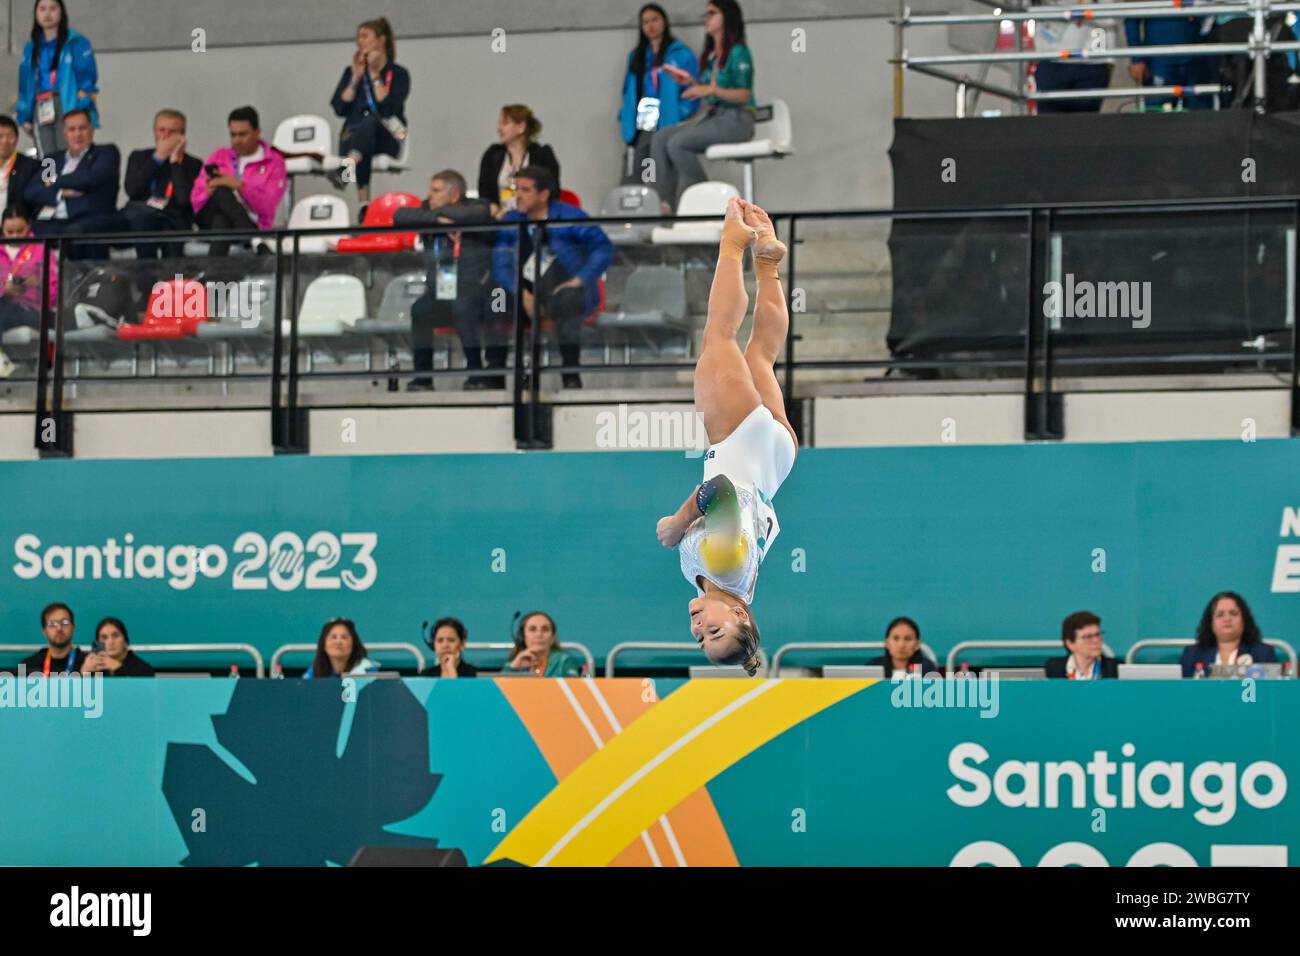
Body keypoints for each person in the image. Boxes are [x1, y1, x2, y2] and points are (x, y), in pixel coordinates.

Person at [656, 199, 794, 675]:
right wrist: (676, 525)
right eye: (716, 632)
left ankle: (768, 263)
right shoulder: (725, 567)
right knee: (719, 335)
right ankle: (734, 242)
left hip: (774, 461)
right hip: (740, 444)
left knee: (761, 356)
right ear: (740, 615)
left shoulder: (729, 582)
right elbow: (718, 491)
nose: (700, 630)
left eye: (701, 640)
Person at [491, 166, 613, 389]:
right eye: (516, 189)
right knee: (495, 303)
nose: (518, 196)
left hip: (562, 286)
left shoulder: (570, 217)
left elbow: (603, 248)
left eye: (525, 190)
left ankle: (570, 374)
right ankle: (496, 376)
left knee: (569, 301)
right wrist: (521, 293)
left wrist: (579, 279)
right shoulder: (511, 221)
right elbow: (500, 263)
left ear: (543, 194)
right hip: (523, 288)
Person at [392, 169, 498, 390]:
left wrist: (444, 216)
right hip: (440, 291)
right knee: (419, 310)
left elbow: (480, 213)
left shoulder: (475, 206)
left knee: (463, 308)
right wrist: (437, 219)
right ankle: (423, 378)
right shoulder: (428, 209)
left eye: (436, 191)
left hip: (475, 292)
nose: (430, 195)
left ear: (455, 194)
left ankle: (476, 374)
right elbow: (399, 215)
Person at [648, 0, 755, 211]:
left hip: (736, 119)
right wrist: (690, 82)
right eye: (705, 14)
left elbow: (743, 94)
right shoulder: (712, 55)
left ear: (727, 16)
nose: (706, 18)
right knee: (660, 137)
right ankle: (664, 205)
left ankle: (706, 202)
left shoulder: (738, 52)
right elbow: (709, 90)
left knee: (678, 143)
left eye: (712, 13)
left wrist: (711, 90)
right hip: (714, 117)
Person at [327, 17, 411, 209]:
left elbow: (389, 109)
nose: (359, 41)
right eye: (358, 37)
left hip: (388, 137)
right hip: (353, 139)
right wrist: (355, 78)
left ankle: (347, 173)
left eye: (365, 36)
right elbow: (339, 108)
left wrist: (374, 75)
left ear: (381, 40)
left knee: (370, 123)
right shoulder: (351, 72)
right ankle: (364, 206)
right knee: (362, 139)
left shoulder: (398, 73)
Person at [619, 4, 700, 185]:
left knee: (661, 167)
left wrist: (679, 112)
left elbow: (693, 90)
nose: (650, 26)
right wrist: (624, 115)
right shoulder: (637, 56)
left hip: (667, 116)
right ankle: (641, 199)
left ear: (664, 22)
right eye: (645, 22)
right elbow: (627, 89)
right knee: (639, 164)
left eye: (655, 20)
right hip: (643, 117)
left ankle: (660, 198)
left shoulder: (680, 54)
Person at [22, 108, 119, 257]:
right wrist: (60, 193)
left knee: (74, 233)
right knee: (25, 230)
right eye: (72, 129)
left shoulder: (105, 152)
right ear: (65, 134)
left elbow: (90, 178)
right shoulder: (52, 160)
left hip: (88, 221)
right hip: (51, 221)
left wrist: (53, 181)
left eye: (82, 128)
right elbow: (32, 191)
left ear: (92, 129)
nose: (77, 134)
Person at [191, 106, 287, 256]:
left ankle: (212, 271)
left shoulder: (274, 162)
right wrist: (208, 191)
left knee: (222, 219)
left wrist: (239, 186)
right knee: (222, 191)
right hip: (209, 219)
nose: (237, 140)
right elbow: (195, 200)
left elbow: (267, 208)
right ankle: (254, 239)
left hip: (251, 222)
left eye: (242, 134)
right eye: (233, 135)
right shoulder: (219, 156)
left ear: (257, 132)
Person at [16, 0, 99, 159]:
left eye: (53, 8)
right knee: (46, 156)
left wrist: (82, 109)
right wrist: (24, 115)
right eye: (42, 9)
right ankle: (50, 176)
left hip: (68, 104)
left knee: (71, 152)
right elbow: (24, 85)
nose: (47, 14)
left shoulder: (76, 42)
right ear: (35, 14)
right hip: (41, 105)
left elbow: (87, 81)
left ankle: (70, 177)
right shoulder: (31, 47)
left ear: (62, 12)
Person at [121, 109, 203, 260]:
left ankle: (171, 276)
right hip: (142, 218)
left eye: (172, 131)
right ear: (154, 132)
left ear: (182, 136)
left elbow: (184, 200)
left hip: (173, 221)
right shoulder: (138, 157)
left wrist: (175, 162)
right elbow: (133, 190)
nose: (165, 136)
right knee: (142, 221)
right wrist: (158, 157)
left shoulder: (193, 164)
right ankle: (147, 275)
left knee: (171, 234)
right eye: (161, 130)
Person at [477, 105, 561, 219]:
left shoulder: (542, 154)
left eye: (505, 123)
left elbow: (551, 191)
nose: (499, 128)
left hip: (534, 217)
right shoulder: (492, 154)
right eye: (499, 123)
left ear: (521, 127)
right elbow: (484, 194)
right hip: (499, 218)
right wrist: (493, 207)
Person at [1032, 2, 1115, 113]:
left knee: (1085, 121)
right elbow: (1026, 7)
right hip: (1051, 59)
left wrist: (1109, 60)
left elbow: (1110, 16)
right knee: (1049, 120)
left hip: (1093, 62)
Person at [1124, 11, 1214, 110]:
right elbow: (1132, 17)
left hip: (1196, 58)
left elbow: (1210, 14)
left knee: (1201, 114)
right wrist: (1137, 59)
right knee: (1158, 114)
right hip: (1159, 60)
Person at [1180, 591, 1277, 677]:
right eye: (1220, 615)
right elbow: (1180, 689)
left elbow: (1272, 689)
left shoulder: (1263, 653)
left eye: (1233, 613)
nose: (1227, 619)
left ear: (1244, 620)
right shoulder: (1192, 654)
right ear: (1210, 622)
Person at [0, 206, 58, 335]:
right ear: (2, 228)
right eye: (9, 232)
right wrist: (5, 291)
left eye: (20, 231)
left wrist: (38, 284)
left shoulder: (42, 249)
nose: (15, 236)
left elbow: (54, 291)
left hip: (32, 310)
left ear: (29, 226)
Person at [504, 611, 583, 676]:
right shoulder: (515, 662)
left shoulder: (564, 662)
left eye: (545, 629)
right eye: (532, 629)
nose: (539, 634)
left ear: (552, 638)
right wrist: (512, 668)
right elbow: (500, 688)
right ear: (522, 637)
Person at [1045, 610, 1119, 679]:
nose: (1096, 640)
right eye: (1088, 637)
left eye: (1098, 634)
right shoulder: (1054, 668)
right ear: (1070, 644)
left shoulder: (1114, 668)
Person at [19, 601, 87, 676]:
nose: (59, 628)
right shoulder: (28, 666)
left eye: (65, 622)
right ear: (44, 631)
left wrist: (84, 674)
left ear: (73, 627)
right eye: (52, 624)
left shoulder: (86, 663)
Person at [304, 618, 379, 678]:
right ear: (323, 644)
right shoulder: (314, 671)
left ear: (354, 644)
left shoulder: (367, 669)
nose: (338, 642)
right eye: (333, 637)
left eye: (344, 637)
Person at [80, 617, 154, 677]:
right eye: (104, 637)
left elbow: (136, 690)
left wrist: (118, 669)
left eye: (115, 636)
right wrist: (83, 674)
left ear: (125, 641)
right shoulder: (93, 665)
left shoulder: (143, 669)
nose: (110, 642)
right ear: (98, 644)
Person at [867, 616, 938, 677]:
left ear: (917, 644)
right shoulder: (874, 665)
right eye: (896, 638)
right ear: (887, 643)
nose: (901, 645)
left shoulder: (925, 667)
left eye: (908, 639)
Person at [0, 116, 40, 215]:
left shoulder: (30, 167)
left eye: (10, 136)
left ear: (17, 139)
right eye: (0, 136)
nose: (5, 141)